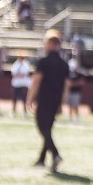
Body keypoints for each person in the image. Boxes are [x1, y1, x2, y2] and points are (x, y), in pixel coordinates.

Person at [29, 32, 71, 170]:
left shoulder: (43, 61)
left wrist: (30, 98)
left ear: (52, 44)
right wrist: (62, 102)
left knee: (43, 127)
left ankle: (55, 154)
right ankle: (42, 159)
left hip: (44, 98)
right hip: (56, 99)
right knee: (48, 128)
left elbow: (36, 80)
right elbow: (66, 86)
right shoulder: (64, 64)